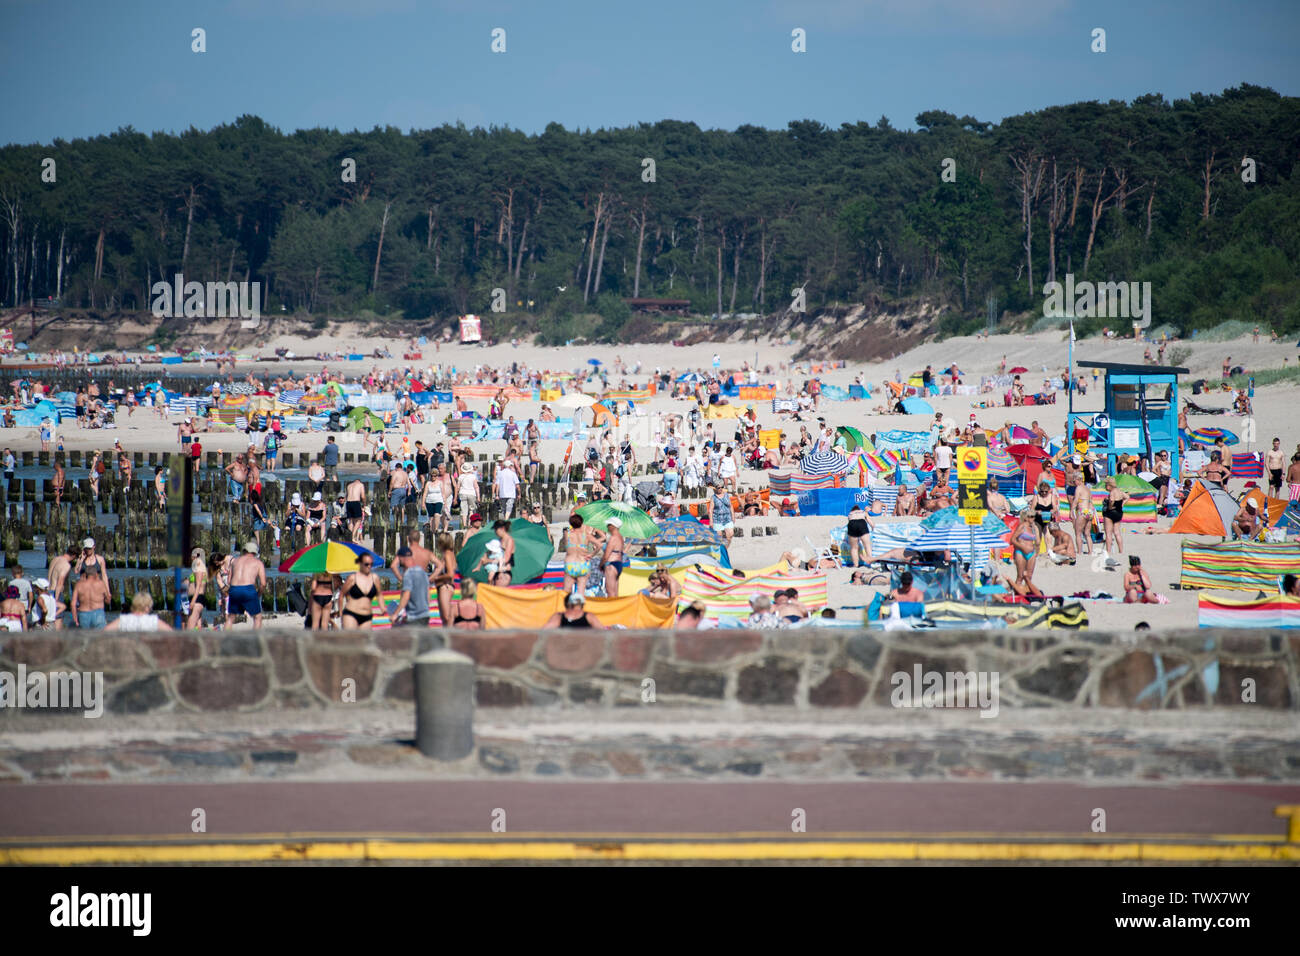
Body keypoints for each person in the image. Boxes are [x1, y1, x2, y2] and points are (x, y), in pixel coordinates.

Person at [228, 541, 268, 628]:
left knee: (231, 617)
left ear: (244, 550)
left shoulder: (235, 561)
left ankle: (225, 637)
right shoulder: (258, 563)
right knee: (257, 617)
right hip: (248, 589)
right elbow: (263, 583)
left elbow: (229, 580)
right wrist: (258, 595)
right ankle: (255, 639)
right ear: (255, 552)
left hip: (234, 588)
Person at [389, 546, 431, 626]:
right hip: (425, 615)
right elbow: (428, 595)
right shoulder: (422, 571)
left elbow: (406, 595)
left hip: (414, 617)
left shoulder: (408, 574)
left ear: (401, 558)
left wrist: (395, 614)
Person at [339, 552, 382, 630]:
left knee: (364, 640)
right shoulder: (352, 578)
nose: (369, 567)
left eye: (371, 564)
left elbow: (379, 594)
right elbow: (341, 594)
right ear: (360, 564)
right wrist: (341, 613)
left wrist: (383, 608)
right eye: (366, 564)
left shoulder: (375, 578)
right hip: (351, 614)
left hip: (367, 616)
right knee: (351, 639)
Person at [563, 514, 600, 596]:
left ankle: (566, 607)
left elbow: (565, 544)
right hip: (583, 563)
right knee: (581, 591)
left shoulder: (567, 534)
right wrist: (591, 555)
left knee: (566, 591)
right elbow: (599, 545)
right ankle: (580, 607)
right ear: (581, 523)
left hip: (570, 563)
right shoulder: (586, 535)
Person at [106, 592, 173, 631]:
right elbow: (171, 634)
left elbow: (104, 631)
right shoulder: (153, 621)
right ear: (148, 607)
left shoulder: (124, 620)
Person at [1101, 477, 1130, 559]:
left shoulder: (1112, 493)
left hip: (1110, 513)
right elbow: (1127, 497)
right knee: (1117, 532)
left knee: (1108, 533)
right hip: (1119, 512)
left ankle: (1108, 551)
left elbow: (1111, 501)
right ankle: (1121, 551)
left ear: (1109, 485)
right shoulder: (1119, 491)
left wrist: (1109, 506)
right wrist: (1122, 504)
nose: (1105, 487)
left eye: (1106, 485)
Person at [601, 516, 625, 596]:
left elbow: (606, 556)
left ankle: (612, 608)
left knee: (610, 592)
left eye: (608, 525)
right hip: (619, 564)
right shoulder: (621, 538)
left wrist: (601, 565)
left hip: (611, 565)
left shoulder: (613, 538)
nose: (607, 527)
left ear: (613, 526)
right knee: (615, 593)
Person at [708, 480, 735, 545]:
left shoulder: (726, 495)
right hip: (717, 519)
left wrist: (733, 516)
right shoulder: (713, 497)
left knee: (731, 534)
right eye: (718, 487)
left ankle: (726, 547)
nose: (720, 489)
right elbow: (710, 510)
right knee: (718, 536)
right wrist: (711, 521)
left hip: (727, 518)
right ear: (715, 488)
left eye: (721, 487)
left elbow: (730, 506)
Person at [345, 476, 367, 540]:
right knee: (359, 520)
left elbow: (346, 496)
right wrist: (364, 505)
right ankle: (352, 536)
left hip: (348, 503)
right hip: (355, 502)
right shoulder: (360, 485)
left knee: (351, 520)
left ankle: (349, 536)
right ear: (359, 481)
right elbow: (363, 496)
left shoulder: (349, 485)